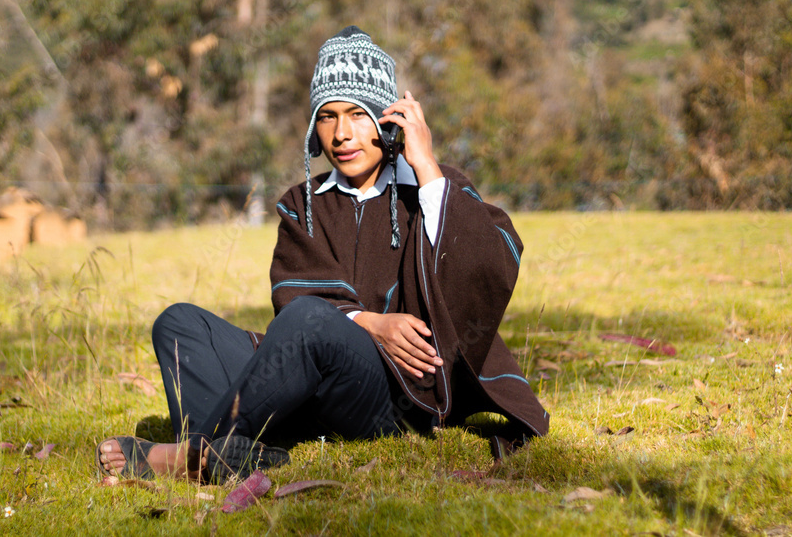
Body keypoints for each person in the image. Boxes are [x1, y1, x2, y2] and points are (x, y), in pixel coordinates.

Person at [97, 26, 549, 483]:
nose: (342, 134)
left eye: (357, 114)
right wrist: (370, 323)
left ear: (387, 121)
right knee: (179, 323)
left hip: (395, 397)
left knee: (311, 319)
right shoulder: (303, 203)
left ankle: (195, 454)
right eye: (328, 117)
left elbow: (491, 267)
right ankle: (226, 454)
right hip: (309, 375)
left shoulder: (435, 188)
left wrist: (427, 167)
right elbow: (294, 298)